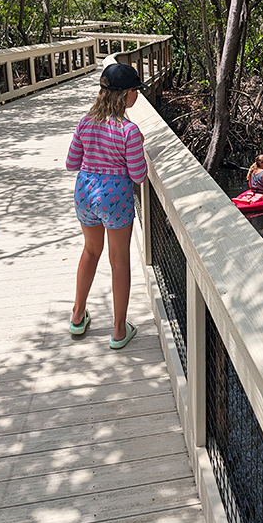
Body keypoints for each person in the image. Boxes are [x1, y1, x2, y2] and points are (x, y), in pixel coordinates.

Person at [66, 62, 148, 350]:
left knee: (90, 250)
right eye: (136, 91)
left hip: (85, 193)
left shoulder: (85, 122)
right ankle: (117, 330)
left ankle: (77, 316)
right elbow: (138, 175)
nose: (137, 96)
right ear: (126, 95)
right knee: (119, 261)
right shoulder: (129, 130)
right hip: (114, 198)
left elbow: (70, 163)